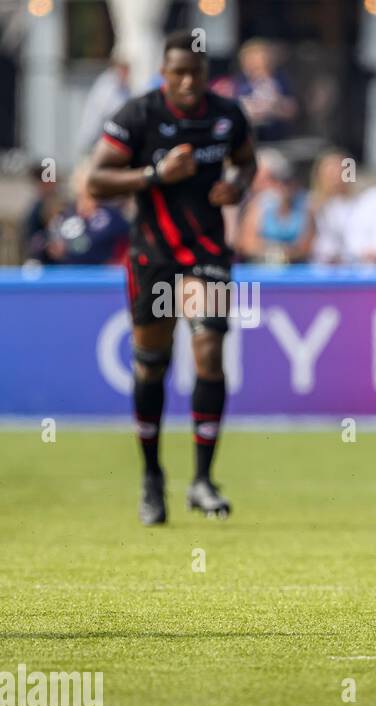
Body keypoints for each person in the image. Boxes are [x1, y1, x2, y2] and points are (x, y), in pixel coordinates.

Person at [86, 30, 257, 525]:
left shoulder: (227, 115)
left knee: (208, 352)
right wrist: (155, 174)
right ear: (164, 72)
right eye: (178, 73)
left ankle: (203, 480)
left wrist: (237, 186)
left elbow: (247, 162)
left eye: (195, 73)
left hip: (206, 252)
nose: (187, 81)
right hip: (153, 256)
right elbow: (95, 180)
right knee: (152, 364)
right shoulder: (138, 115)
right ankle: (151, 477)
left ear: (206, 75)